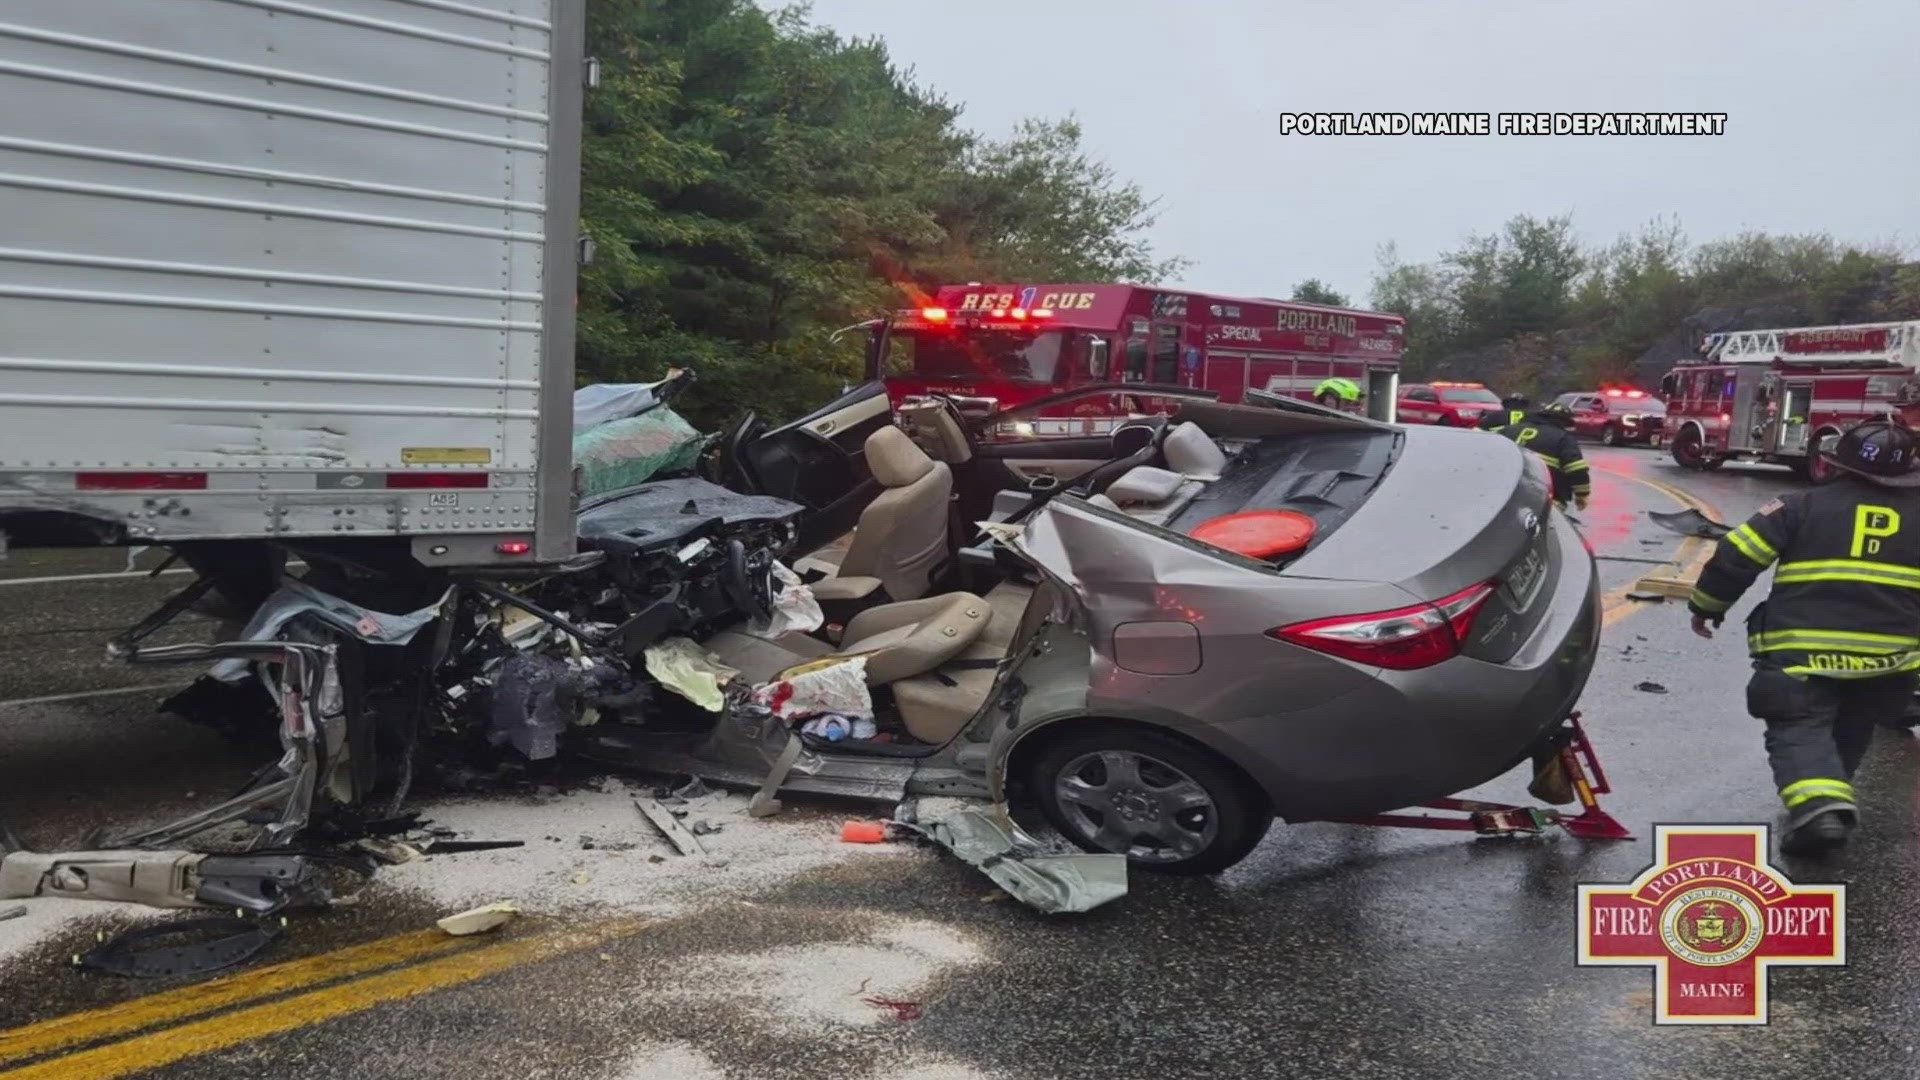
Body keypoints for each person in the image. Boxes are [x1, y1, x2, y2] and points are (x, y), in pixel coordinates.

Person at [1688, 420, 1920, 856]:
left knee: (1798, 726)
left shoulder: (1798, 506)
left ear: (1838, 464)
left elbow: (1736, 556)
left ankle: (1818, 807)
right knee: (1856, 722)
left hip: (1802, 654)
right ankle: (1829, 798)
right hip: (1890, 661)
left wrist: (1707, 606)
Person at [1493, 401, 1590, 510]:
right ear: (1565, 422)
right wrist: (1582, 495)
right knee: (1552, 517)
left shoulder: (1508, 429)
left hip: (1503, 492)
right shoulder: (1563, 438)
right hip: (1543, 495)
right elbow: (1576, 468)